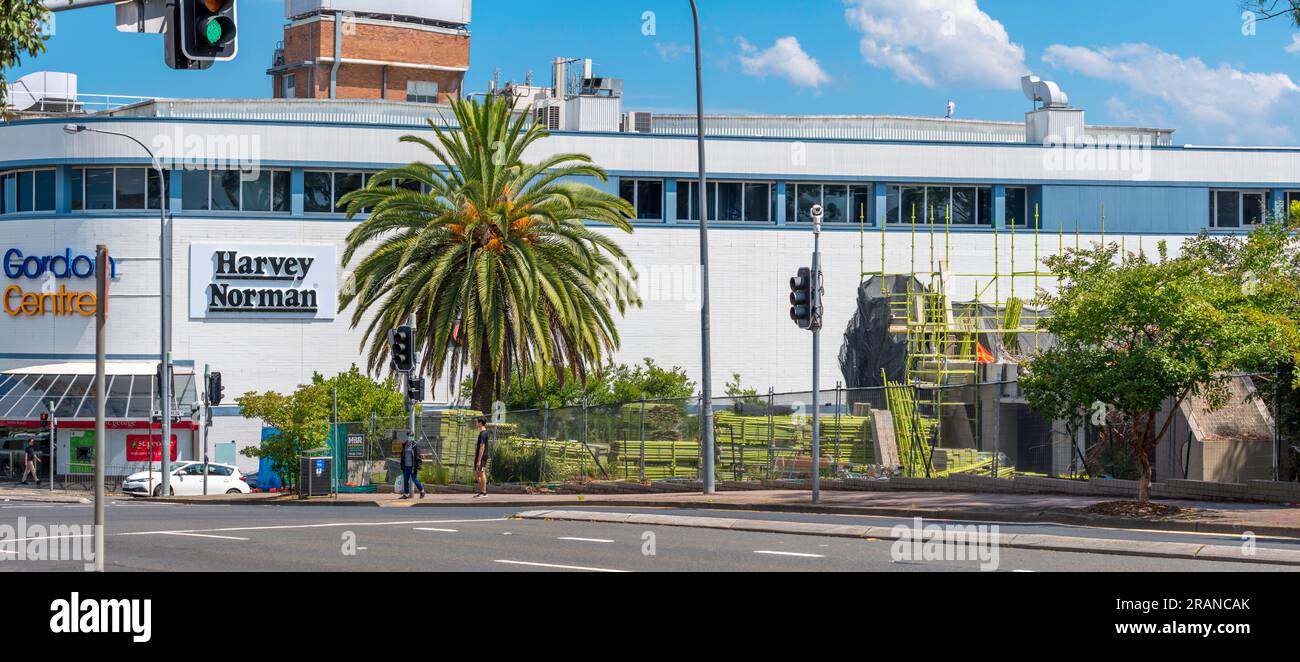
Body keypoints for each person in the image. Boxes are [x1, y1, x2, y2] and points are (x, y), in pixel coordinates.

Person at [400, 435, 425, 500]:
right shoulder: (404, 445)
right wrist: (402, 466)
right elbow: (402, 456)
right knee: (405, 480)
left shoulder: (415, 445)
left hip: (413, 466)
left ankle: (422, 490)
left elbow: (418, 456)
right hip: (406, 466)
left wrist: (419, 466)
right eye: (408, 435)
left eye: (411, 436)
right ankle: (406, 494)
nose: (410, 437)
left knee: (414, 480)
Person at [473, 417, 490, 498]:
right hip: (479, 456)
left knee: (481, 473)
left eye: (477, 422)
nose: (476, 423)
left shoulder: (483, 433)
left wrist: (479, 460)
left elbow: (482, 447)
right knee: (477, 473)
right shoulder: (481, 433)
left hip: (482, 457)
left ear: (480, 423)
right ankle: (481, 491)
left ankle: (484, 492)